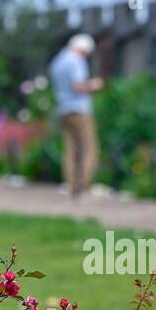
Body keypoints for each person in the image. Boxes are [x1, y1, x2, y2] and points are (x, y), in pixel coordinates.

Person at [49, 34, 104, 196]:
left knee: (70, 149)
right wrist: (94, 85)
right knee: (89, 148)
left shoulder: (58, 61)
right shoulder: (76, 61)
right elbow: (78, 87)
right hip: (78, 109)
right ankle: (83, 185)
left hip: (63, 109)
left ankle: (70, 183)